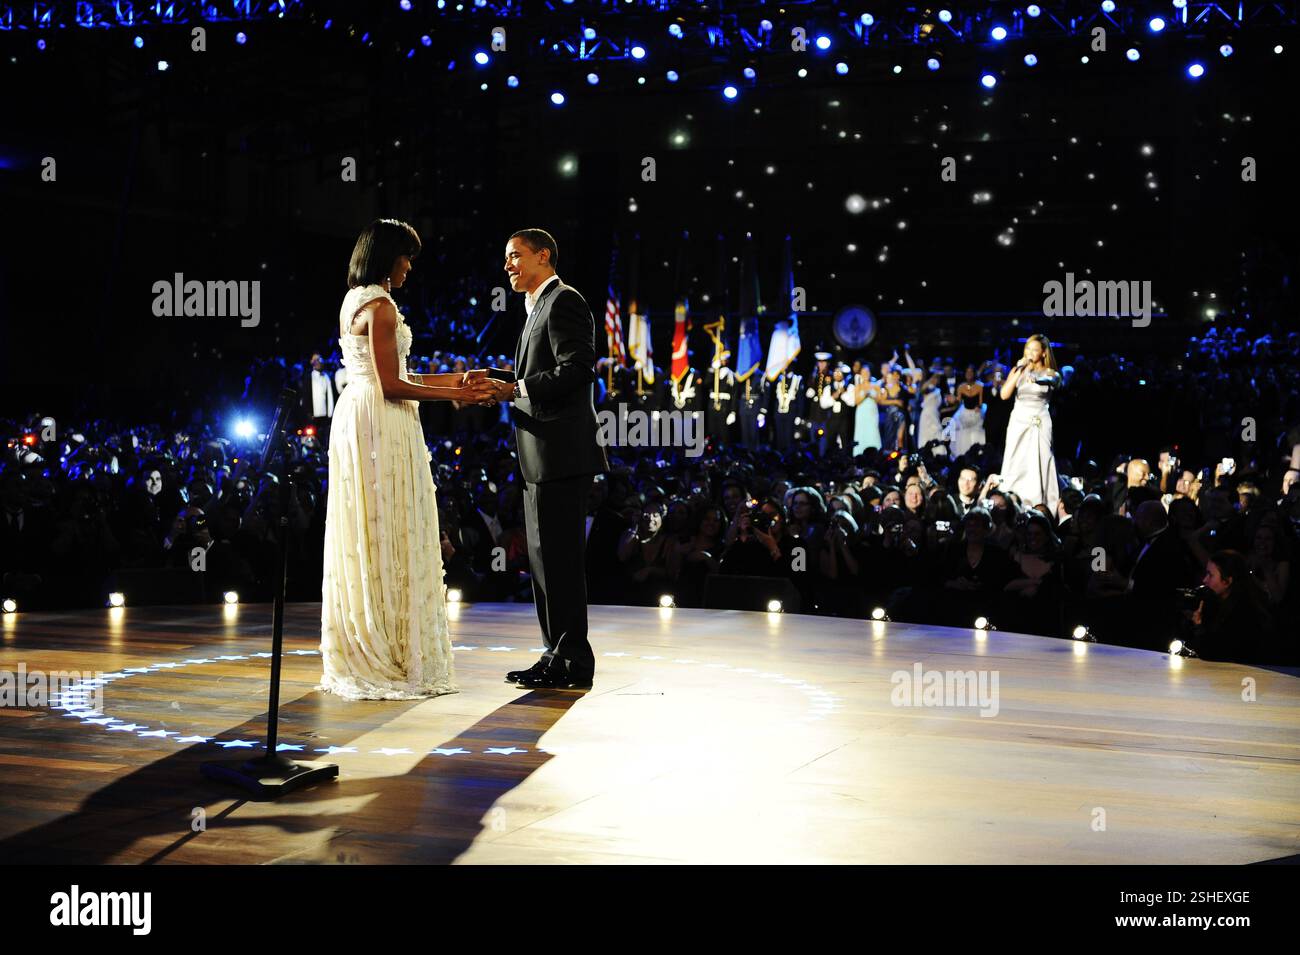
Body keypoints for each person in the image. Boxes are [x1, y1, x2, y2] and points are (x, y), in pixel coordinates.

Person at [319, 218, 496, 700]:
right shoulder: (381, 306)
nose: (411, 266)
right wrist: (455, 396)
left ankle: (376, 635)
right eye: (407, 257)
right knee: (389, 526)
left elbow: (394, 372)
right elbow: (394, 384)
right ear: (388, 257)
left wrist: (455, 383)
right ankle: (391, 650)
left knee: (372, 527)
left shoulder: (355, 300)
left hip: (363, 411)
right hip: (382, 418)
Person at [478, 228, 610, 689]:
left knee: (560, 563)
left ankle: (573, 659)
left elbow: (576, 369)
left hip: (561, 453)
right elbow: (536, 374)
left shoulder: (564, 300)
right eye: (506, 258)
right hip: (540, 455)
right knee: (543, 562)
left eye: (515, 256)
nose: (508, 265)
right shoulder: (537, 306)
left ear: (543, 256)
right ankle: (557, 654)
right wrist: (493, 380)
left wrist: (515, 389)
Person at [999, 333, 1061, 513]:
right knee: (1016, 459)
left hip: (1039, 419)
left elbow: (1053, 381)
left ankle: (1041, 506)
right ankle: (1011, 503)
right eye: (1028, 349)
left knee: (1040, 459)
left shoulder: (1050, 373)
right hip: (1019, 419)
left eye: (1035, 350)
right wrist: (1019, 370)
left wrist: (1038, 379)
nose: (1030, 353)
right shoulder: (1019, 369)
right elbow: (1004, 394)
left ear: (1043, 353)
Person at [947, 364, 986, 458]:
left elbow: (981, 402)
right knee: (962, 435)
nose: (969, 374)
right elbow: (958, 401)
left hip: (976, 414)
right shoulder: (961, 387)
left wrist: (979, 407)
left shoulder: (980, 386)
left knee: (975, 436)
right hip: (964, 413)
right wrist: (952, 400)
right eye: (967, 372)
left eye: (971, 372)